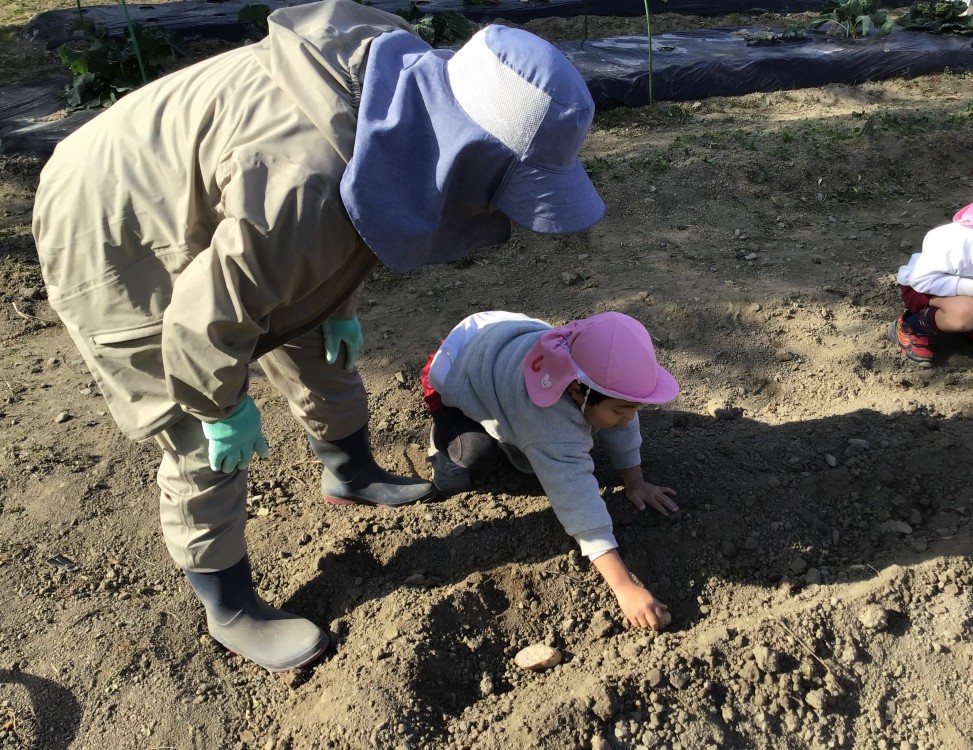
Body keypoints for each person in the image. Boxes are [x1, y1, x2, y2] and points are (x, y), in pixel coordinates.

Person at [31, 0, 605, 671]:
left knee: (321, 345)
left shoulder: (398, 105)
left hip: (240, 207)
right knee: (195, 435)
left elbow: (355, 214)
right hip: (112, 221)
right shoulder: (298, 190)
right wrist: (222, 409)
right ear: (467, 153)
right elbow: (201, 319)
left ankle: (349, 471)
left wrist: (336, 301)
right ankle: (230, 605)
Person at [420, 310, 679, 629]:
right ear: (576, 391)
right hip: (460, 365)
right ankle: (446, 443)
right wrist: (624, 586)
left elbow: (623, 420)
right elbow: (575, 497)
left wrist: (635, 480)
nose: (628, 417)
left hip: (506, 349)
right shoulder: (548, 419)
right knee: (474, 455)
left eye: (633, 408)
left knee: (538, 456)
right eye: (620, 410)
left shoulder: (598, 385)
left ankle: (517, 437)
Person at [890, 144, 973, 367]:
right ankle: (912, 326)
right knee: (967, 312)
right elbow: (922, 278)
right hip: (927, 286)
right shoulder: (966, 239)